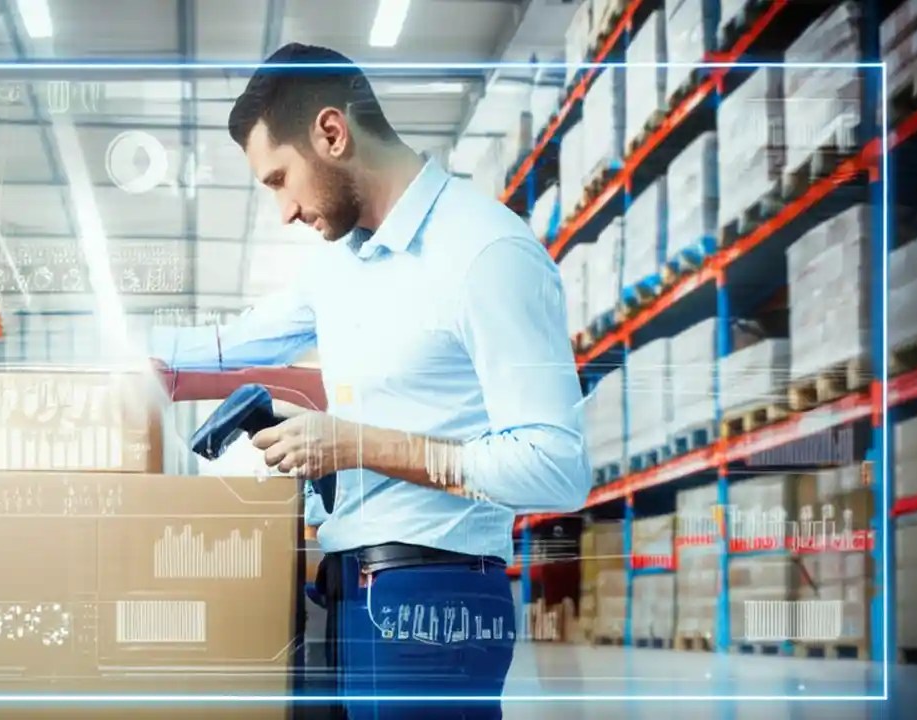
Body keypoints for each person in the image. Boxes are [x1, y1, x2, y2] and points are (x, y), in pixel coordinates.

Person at [149, 42, 591, 720]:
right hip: (348, 594)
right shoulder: (341, 266)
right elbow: (227, 342)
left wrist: (356, 444)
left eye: (278, 180)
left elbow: (556, 467)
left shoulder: (485, 253)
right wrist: (126, 362)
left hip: (436, 602)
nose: (284, 211)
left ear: (331, 132)